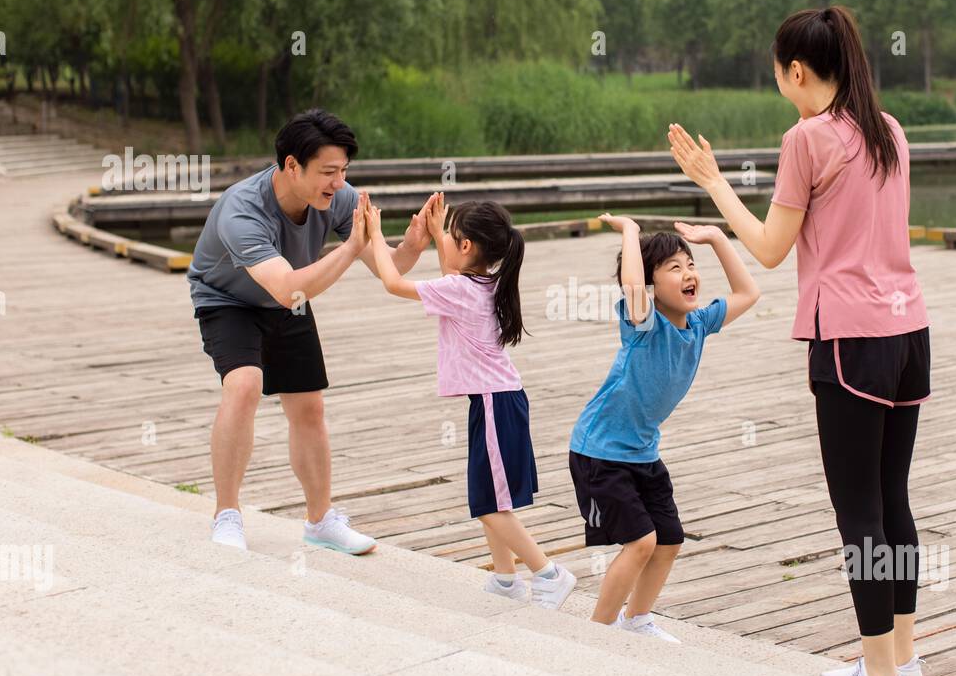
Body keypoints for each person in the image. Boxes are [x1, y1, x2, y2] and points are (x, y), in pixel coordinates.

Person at [667, 5, 931, 676]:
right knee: (892, 497)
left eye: (777, 68)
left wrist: (713, 181)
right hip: (909, 335)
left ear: (797, 71)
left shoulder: (807, 139)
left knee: (859, 511)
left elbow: (771, 249)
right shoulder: (890, 131)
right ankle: (902, 659)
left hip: (849, 340)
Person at [188, 108, 436, 554]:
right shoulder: (241, 211)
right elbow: (285, 288)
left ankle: (320, 521)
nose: (337, 183)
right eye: (327, 172)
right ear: (290, 166)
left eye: (343, 171)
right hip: (230, 300)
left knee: (309, 408)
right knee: (244, 384)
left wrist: (413, 247)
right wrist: (353, 247)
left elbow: (389, 269)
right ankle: (226, 514)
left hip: (292, 297)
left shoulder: (339, 197)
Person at [362, 192, 577, 608]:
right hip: (497, 402)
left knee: (489, 505)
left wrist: (374, 233)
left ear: (467, 247)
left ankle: (549, 574)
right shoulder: (486, 282)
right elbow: (450, 269)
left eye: (454, 239)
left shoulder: (462, 289)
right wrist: (443, 229)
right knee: (489, 497)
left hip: (496, 404)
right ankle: (505, 580)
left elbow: (392, 283)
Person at [568, 214, 759, 641]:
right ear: (653, 284)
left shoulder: (699, 324)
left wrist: (716, 239)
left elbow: (749, 291)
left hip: (643, 453)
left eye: (690, 265)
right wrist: (631, 232)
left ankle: (636, 621)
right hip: (600, 452)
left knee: (669, 539)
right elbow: (633, 287)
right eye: (674, 267)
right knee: (640, 542)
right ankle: (597, 632)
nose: (689, 273)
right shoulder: (645, 325)